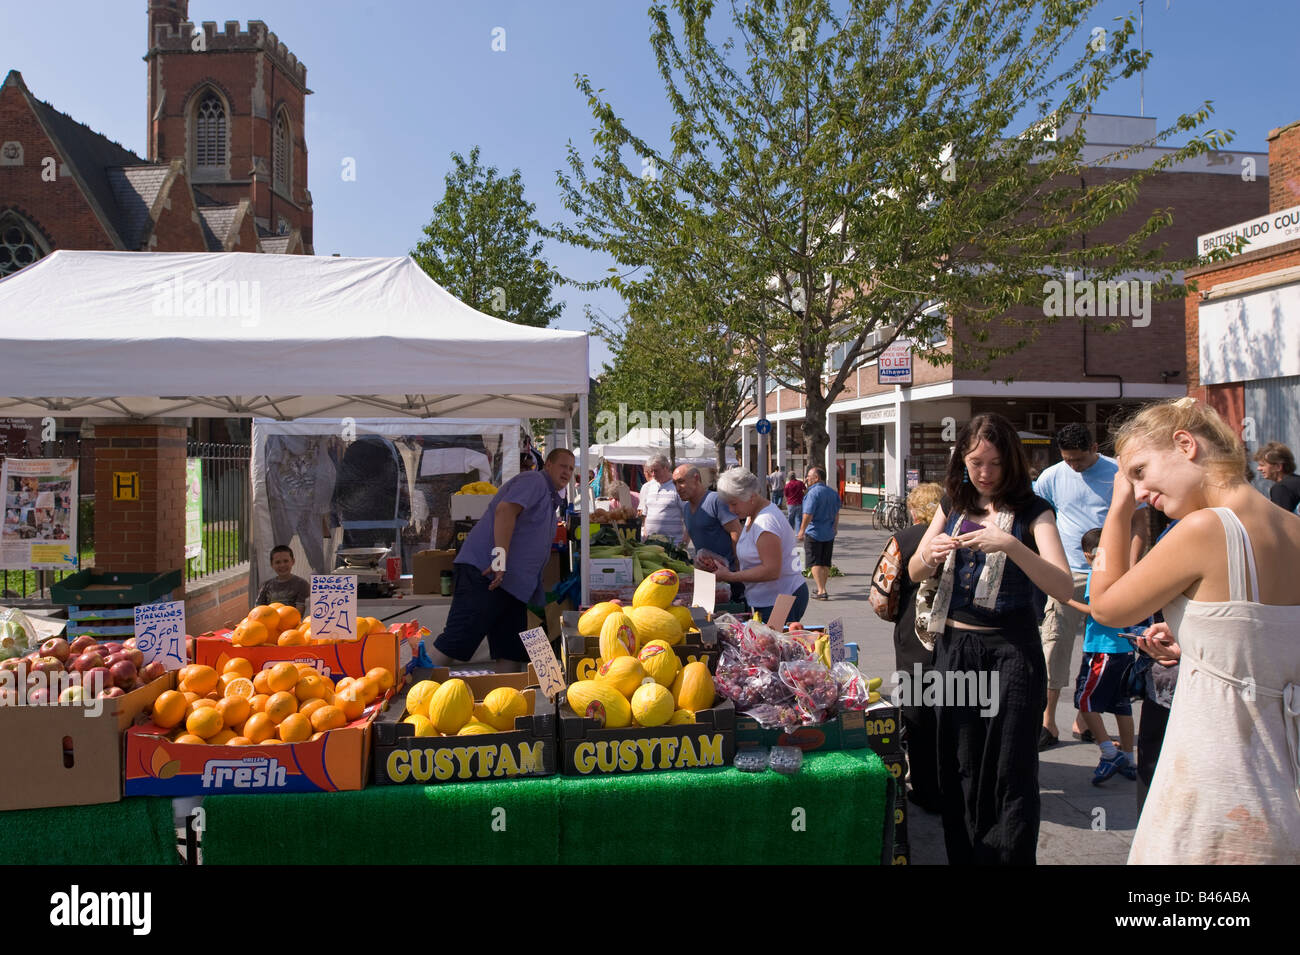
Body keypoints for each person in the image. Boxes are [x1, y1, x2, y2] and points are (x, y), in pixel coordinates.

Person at [1088, 397, 1300, 864]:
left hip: (1218, 786)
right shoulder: (1293, 527)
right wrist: (1200, 650)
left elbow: (1104, 605)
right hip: (1284, 786)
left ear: (1185, 445)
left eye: (1139, 471)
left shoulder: (1207, 527)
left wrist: (1119, 508)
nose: (1140, 490)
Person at [906, 413, 1074, 865]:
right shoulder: (952, 503)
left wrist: (1012, 546)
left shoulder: (1034, 511)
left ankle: (1007, 858)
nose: (983, 472)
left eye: (994, 463)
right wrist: (929, 553)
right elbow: (912, 572)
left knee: (1010, 766)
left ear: (1011, 463)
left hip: (1011, 652)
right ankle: (964, 856)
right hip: (954, 649)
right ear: (961, 459)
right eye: (974, 462)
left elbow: (1064, 586)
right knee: (959, 762)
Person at [1033, 423, 1146, 750]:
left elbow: (1139, 521)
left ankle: (1085, 717)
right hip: (1066, 570)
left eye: (1080, 460)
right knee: (1054, 643)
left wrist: (1132, 564)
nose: (1074, 466)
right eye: (1068, 460)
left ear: (1095, 447)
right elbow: (1041, 516)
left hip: (1108, 571)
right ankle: (1048, 721)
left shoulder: (1117, 473)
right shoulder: (1052, 476)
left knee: (1102, 647)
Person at [429, 448, 574, 671]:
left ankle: (509, 703)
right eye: (563, 466)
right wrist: (499, 561)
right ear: (549, 466)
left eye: (571, 469)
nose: (567, 472)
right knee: (457, 641)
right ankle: (414, 688)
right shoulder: (534, 480)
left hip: (511, 586)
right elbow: (505, 511)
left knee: (510, 651)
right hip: (487, 574)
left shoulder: (550, 498)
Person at [890, 481, 945, 813]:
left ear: (914, 509)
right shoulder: (960, 535)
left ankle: (926, 788)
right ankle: (953, 782)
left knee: (918, 712)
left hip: (914, 638)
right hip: (953, 638)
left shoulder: (905, 539)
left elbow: (881, 593)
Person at [1067, 527, 1138, 786]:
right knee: (1122, 704)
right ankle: (1129, 757)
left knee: (1084, 700)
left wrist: (1068, 600)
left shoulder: (1097, 573)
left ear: (1087, 555)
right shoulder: (1123, 572)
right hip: (1123, 650)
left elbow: (1097, 610)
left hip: (1102, 649)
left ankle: (1109, 752)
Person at [708, 467, 809, 624]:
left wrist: (731, 576)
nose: (731, 509)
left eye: (734, 504)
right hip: (769, 599)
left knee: (775, 645)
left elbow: (771, 571)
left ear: (752, 497)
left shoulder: (765, 522)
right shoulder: (752, 515)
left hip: (780, 600)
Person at [672, 464, 743, 603]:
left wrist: (738, 570)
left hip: (728, 577)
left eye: (681, 481)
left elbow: (736, 532)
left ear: (696, 478)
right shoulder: (686, 508)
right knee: (706, 619)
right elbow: (692, 531)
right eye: (675, 483)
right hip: (705, 578)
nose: (677, 488)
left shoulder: (715, 500)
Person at [797, 466, 840, 600]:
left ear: (816, 478)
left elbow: (808, 514)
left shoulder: (813, 493)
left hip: (814, 531)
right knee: (825, 561)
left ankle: (821, 590)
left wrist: (801, 530)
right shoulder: (833, 493)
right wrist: (835, 527)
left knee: (814, 561)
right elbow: (836, 513)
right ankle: (822, 587)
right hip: (828, 532)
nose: (807, 479)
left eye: (809, 476)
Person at [637, 454, 685, 545]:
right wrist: (646, 536)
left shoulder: (677, 487)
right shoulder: (647, 487)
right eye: (651, 471)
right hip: (651, 544)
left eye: (656, 471)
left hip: (673, 545)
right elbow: (645, 515)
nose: (653, 474)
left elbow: (688, 516)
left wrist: (684, 543)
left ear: (666, 468)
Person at [256, 544, 310, 614]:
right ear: (272, 564)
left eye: (286, 561)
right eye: (278, 562)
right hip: (270, 622)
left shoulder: (302, 584)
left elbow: (298, 613)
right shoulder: (266, 586)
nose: (282, 565)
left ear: (293, 561)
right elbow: (258, 610)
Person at [1254, 441, 1300, 512]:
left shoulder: (1281, 488)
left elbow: (1281, 521)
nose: (1258, 468)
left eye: (1262, 465)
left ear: (1278, 467)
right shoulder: (1297, 481)